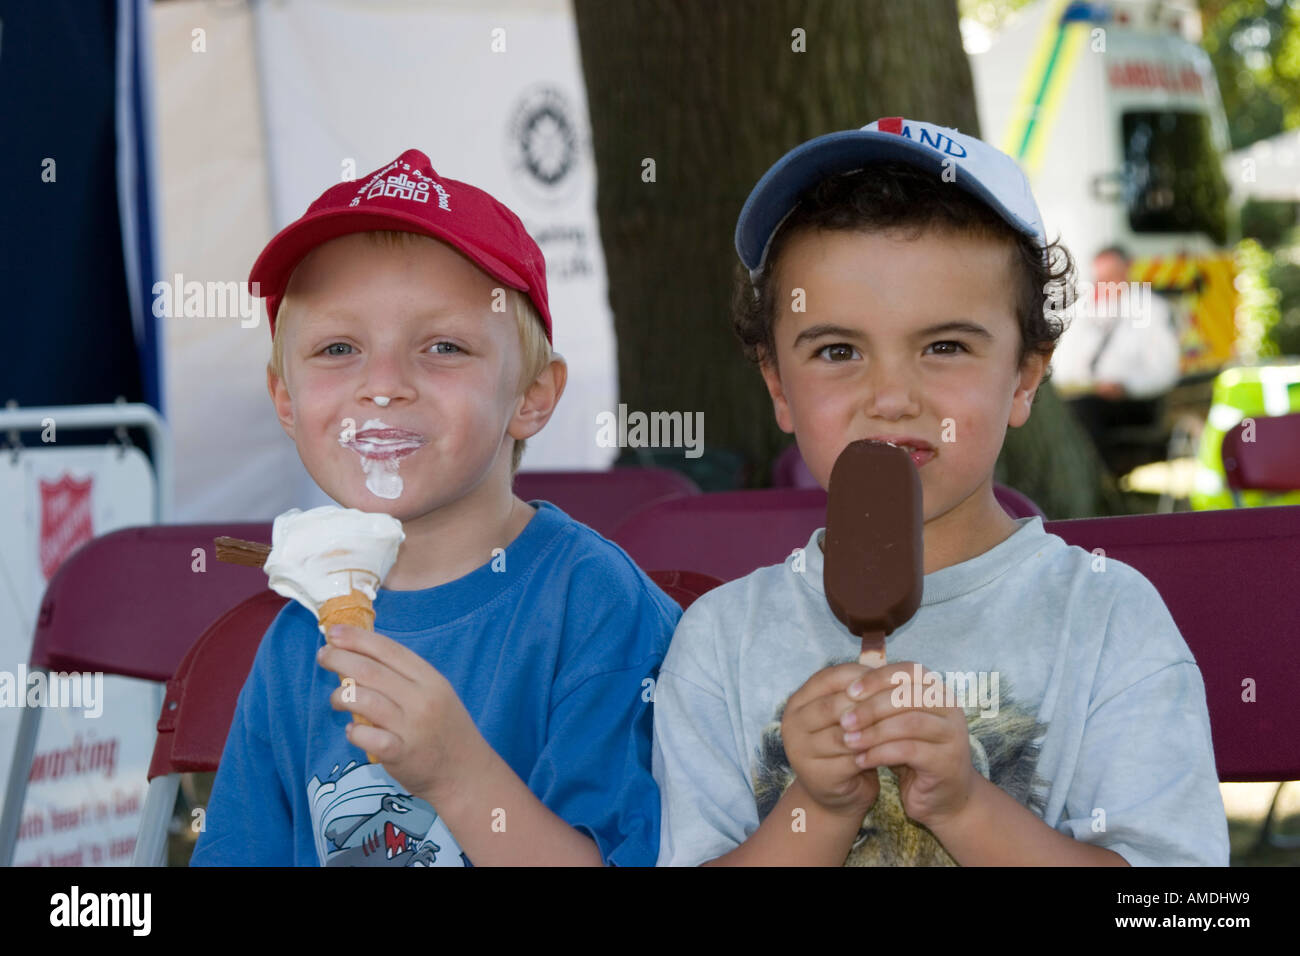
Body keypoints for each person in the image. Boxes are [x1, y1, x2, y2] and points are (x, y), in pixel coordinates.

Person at [652, 118, 1227, 866]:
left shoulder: (1108, 622)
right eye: (836, 350)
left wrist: (964, 807)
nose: (891, 396)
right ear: (778, 388)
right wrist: (818, 810)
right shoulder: (721, 644)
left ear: (1025, 377)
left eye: (945, 346)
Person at [190, 149, 680, 866]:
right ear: (286, 401)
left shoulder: (594, 609)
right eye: (337, 347)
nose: (384, 385)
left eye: (444, 346)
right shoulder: (299, 634)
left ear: (533, 396)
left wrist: (459, 775)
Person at [1052, 245, 1182, 477]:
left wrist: (1126, 386)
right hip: (1094, 397)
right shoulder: (1094, 311)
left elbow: (1165, 371)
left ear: (1127, 272)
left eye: (1111, 277)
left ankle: (1095, 484)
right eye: (1100, 279)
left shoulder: (1152, 309)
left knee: (1082, 412)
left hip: (1137, 401)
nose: (1105, 285)